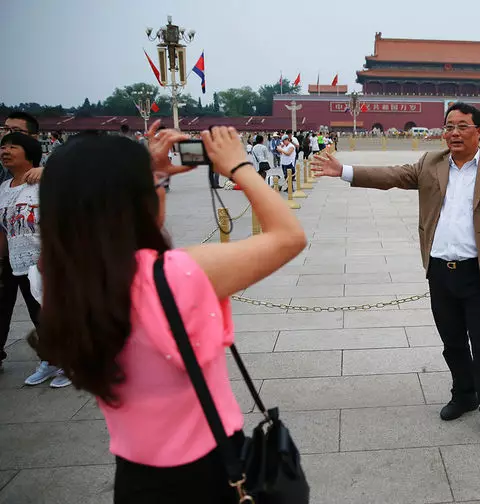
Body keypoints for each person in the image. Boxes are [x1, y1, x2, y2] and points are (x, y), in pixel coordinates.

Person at [32, 121, 307, 502]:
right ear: (139, 200)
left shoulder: (60, 279)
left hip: (135, 478)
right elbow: (289, 236)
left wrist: (149, 173)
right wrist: (240, 168)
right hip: (210, 473)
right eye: (158, 187)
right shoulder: (176, 275)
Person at [311, 102, 480, 444]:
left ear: (479, 131)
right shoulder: (430, 164)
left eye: (462, 126)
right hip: (440, 272)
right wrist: (343, 170)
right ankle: (464, 395)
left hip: (479, 274)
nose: (453, 133)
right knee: (452, 344)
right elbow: (391, 176)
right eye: (449, 126)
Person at [0, 133, 69, 386]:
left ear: (29, 153)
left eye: (12, 147)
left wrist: (48, 170)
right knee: (36, 313)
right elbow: (3, 229)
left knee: (54, 312)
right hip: (17, 263)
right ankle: (51, 360)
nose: (5, 151)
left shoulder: (45, 181)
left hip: (46, 259)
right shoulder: (3, 189)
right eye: (3, 147)